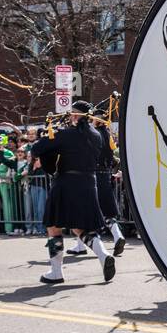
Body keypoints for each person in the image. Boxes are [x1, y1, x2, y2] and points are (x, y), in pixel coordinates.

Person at [30, 101, 114, 284]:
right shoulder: (96, 136)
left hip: (66, 183)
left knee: (53, 226)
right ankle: (104, 255)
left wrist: (48, 135)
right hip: (89, 184)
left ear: (76, 115)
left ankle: (56, 272)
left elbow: (36, 149)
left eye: (71, 114)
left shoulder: (65, 134)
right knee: (81, 227)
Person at [93, 104, 127, 257]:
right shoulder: (107, 134)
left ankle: (83, 244)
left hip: (94, 175)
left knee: (87, 209)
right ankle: (118, 235)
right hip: (105, 174)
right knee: (106, 210)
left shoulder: (94, 134)